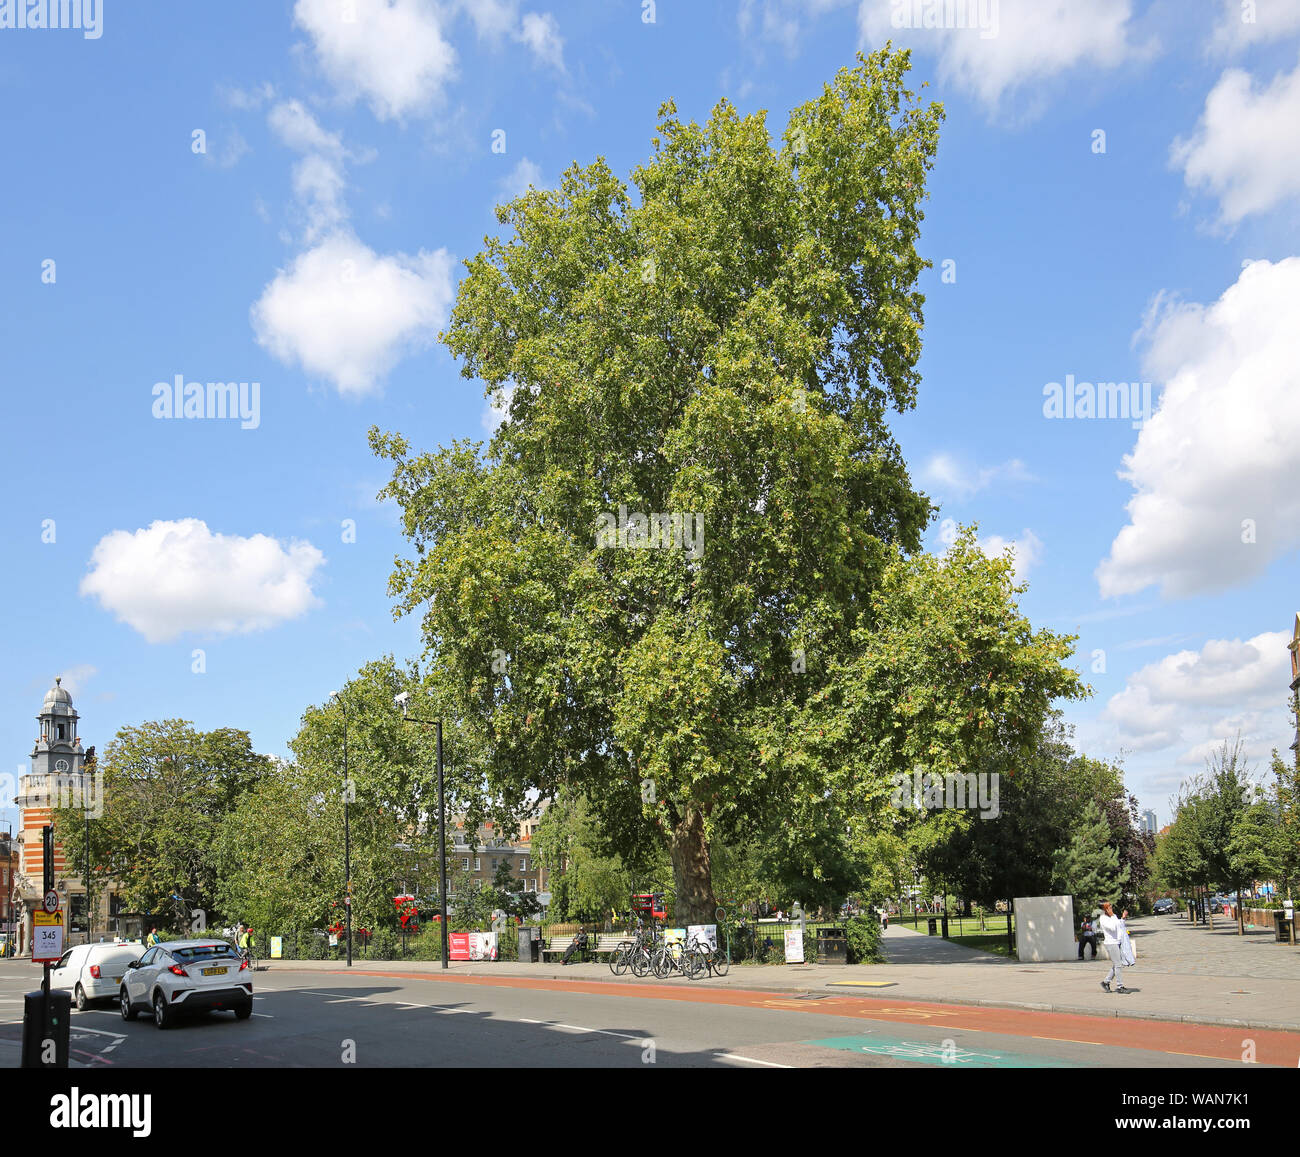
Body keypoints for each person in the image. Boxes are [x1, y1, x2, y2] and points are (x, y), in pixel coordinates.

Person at [1098, 901, 1130, 993]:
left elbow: (1118, 925)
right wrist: (1112, 916)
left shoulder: (1111, 917)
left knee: (1117, 964)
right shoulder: (1103, 919)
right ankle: (1120, 986)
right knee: (1118, 965)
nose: (1111, 908)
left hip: (1116, 942)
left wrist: (1123, 918)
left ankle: (1106, 982)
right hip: (1111, 943)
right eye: (1109, 907)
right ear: (1105, 909)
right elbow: (1113, 928)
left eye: (1111, 906)